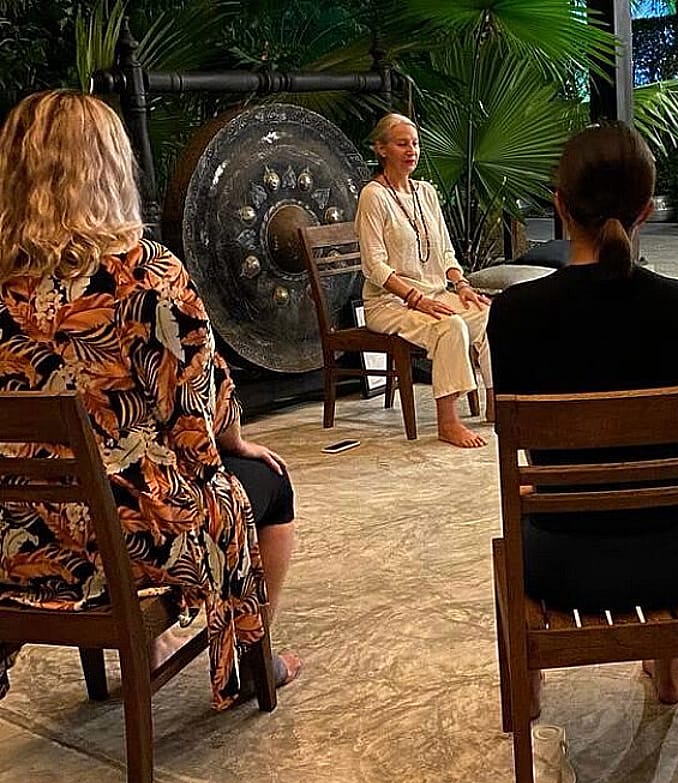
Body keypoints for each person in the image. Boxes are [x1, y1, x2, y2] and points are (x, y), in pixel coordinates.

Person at [0, 90, 299, 709]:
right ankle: (254, 660)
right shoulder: (144, 275)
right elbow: (195, 412)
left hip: (18, 536)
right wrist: (236, 438)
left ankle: (149, 643)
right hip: (135, 536)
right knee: (269, 484)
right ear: (110, 167)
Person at [487, 123, 678, 709]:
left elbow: (509, 431)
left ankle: (531, 686)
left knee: (521, 512)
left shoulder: (515, 313)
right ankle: (668, 669)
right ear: (646, 210)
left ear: (559, 205)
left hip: (561, 561)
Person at [355, 113, 493, 448]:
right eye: (402, 144)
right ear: (381, 149)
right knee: (451, 326)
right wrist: (416, 299)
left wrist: (462, 285)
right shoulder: (373, 196)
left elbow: (445, 251)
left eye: (415, 144)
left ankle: (495, 402)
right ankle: (448, 422)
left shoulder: (426, 192)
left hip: (435, 293)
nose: (411, 151)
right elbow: (375, 266)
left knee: (489, 313)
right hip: (390, 304)